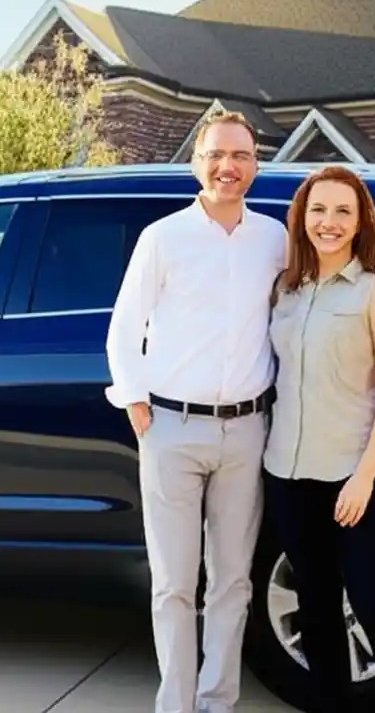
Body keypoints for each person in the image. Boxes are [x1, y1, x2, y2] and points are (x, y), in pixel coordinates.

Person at [105, 110, 288, 713]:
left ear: (256, 166)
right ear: (196, 163)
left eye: (239, 156)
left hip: (246, 431)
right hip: (171, 429)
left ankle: (217, 702)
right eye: (215, 155)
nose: (226, 167)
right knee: (175, 585)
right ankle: (176, 704)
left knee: (233, 581)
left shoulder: (275, 239)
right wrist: (136, 404)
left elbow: (318, 296)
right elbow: (124, 328)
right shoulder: (163, 238)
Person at [262, 165, 375, 712]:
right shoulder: (287, 289)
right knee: (314, 604)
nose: (328, 222)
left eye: (342, 212)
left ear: (361, 223)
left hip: (362, 474)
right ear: (301, 217)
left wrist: (364, 476)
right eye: (318, 210)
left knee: (374, 599)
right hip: (290, 471)